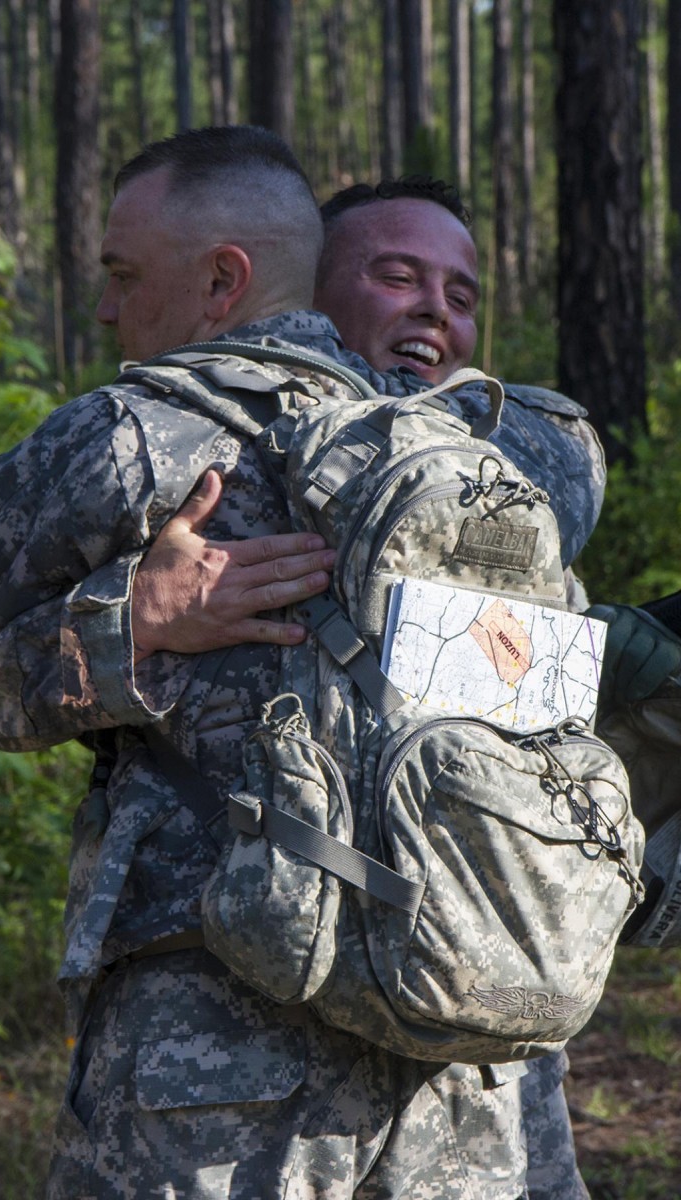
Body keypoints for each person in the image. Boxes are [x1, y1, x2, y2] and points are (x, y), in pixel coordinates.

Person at [0, 127, 602, 1199]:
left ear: (226, 279)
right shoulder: (504, 477)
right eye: (395, 276)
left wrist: (129, 623)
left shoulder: (144, 436)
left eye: (124, 275)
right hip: (474, 1037)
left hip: (221, 1053)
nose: (107, 308)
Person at [312, 174, 598, 1200]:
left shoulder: (516, 466)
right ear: (306, 293)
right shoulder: (224, 442)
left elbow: (537, 710)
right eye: (397, 278)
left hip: (483, 980)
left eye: (461, 294)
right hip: (285, 999)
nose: (436, 308)